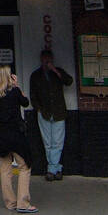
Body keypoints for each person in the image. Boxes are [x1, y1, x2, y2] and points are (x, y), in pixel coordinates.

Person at [0, 65, 37, 213]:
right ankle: (23, 203)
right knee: (24, 166)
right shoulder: (14, 92)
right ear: (8, 76)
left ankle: (10, 203)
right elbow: (25, 102)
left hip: (0, 136)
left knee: (5, 170)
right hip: (15, 136)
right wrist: (16, 85)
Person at [29, 47, 73, 181]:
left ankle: (54, 168)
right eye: (44, 59)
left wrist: (55, 70)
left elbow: (69, 81)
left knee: (58, 141)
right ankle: (54, 167)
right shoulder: (35, 75)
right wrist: (39, 109)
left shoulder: (57, 72)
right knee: (47, 142)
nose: (47, 61)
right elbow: (33, 95)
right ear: (41, 60)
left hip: (58, 111)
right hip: (44, 112)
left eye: (49, 59)